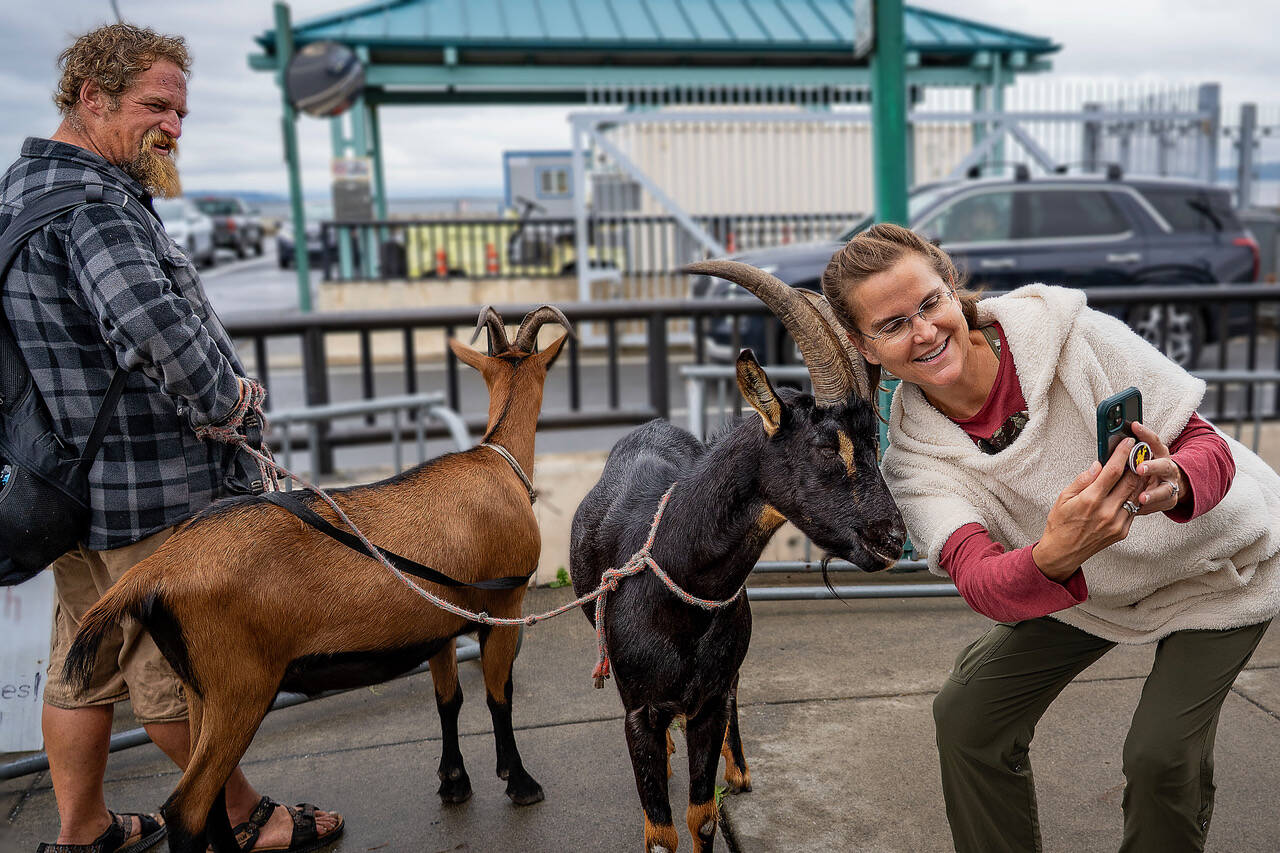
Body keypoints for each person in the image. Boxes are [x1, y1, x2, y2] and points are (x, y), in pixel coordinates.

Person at [821, 223, 1280, 853]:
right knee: (968, 715)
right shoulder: (913, 458)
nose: (924, 331)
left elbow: (1205, 444)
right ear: (863, 346)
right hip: (1095, 588)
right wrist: (1056, 554)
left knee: (1160, 756)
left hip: (1219, 563)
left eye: (929, 303)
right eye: (893, 325)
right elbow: (981, 580)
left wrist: (1174, 482)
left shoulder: (1069, 333)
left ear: (952, 290)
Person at [0, 24, 342, 853]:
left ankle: (84, 831)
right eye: (157, 106)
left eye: (181, 111)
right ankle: (243, 817)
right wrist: (229, 399)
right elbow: (153, 327)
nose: (173, 127)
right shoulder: (95, 207)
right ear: (93, 98)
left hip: (66, 490)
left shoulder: (20, 190)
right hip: (146, 497)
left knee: (82, 666)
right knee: (176, 681)